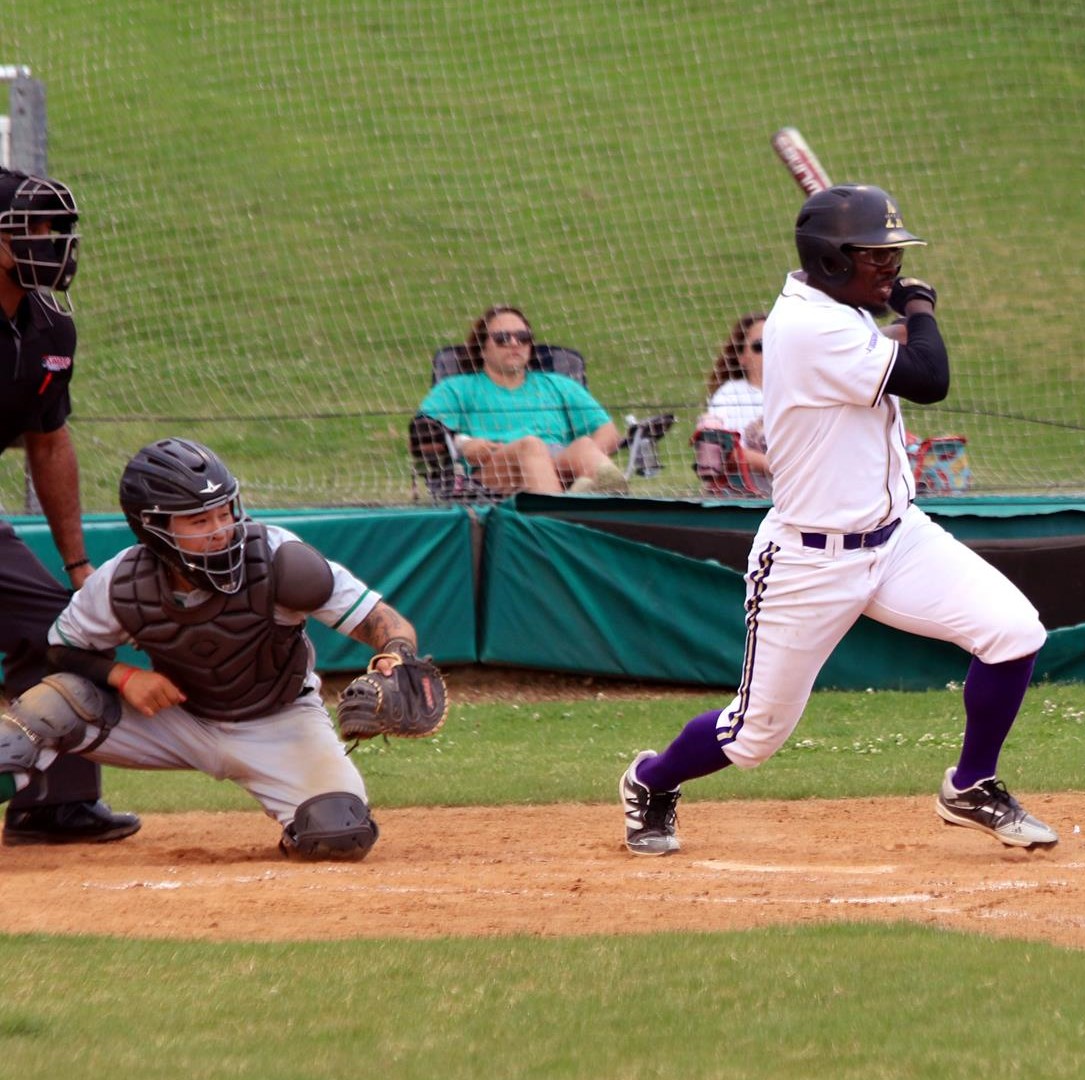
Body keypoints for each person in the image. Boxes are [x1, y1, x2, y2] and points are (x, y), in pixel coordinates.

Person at [619, 184, 1056, 855]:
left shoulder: (835, 309)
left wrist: (891, 309)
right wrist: (917, 306)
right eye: (875, 257)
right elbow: (929, 376)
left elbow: (882, 353)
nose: (889, 267)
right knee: (754, 736)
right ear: (830, 260)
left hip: (897, 539)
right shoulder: (810, 324)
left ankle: (970, 785)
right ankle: (651, 780)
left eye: (892, 256)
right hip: (809, 558)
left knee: (1012, 632)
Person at [0, 437, 421, 859]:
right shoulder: (122, 582)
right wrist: (123, 676)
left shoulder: (279, 559)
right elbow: (61, 651)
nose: (221, 530)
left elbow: (381, 621)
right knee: (46, 710)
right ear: (154, 526)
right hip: (174, 720)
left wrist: (394, 656)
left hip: (279, 719)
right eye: (199, 521)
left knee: (338, 834)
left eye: (225, 513)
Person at [0, 167, 141, 846]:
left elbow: (49, 442)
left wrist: (80, 564)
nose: (50, 241)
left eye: (56, 227)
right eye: (29, 228)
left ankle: (51, 803)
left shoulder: (51, 327)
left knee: (61, 627)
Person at [418, 305, 629, 495]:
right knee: (531, 446)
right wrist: (464, 444)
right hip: (493, 470)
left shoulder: (558, 385)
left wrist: (553, 467)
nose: (514, 343)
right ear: (482, 348)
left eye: (523, 337)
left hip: (556, 463)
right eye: (502, 338)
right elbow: (422, 432)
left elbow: (608, 432)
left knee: (584, 446)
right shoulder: (457, 388)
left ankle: (597, 494)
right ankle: (560, 518)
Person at [696, 312, 772, 487]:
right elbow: (723, 449)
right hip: (748, 497)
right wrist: (777, 467)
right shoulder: (730, 394)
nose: (769, 351)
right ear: (741, 357)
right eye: (759, 346)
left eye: (775, 343)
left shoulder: (801, 390)